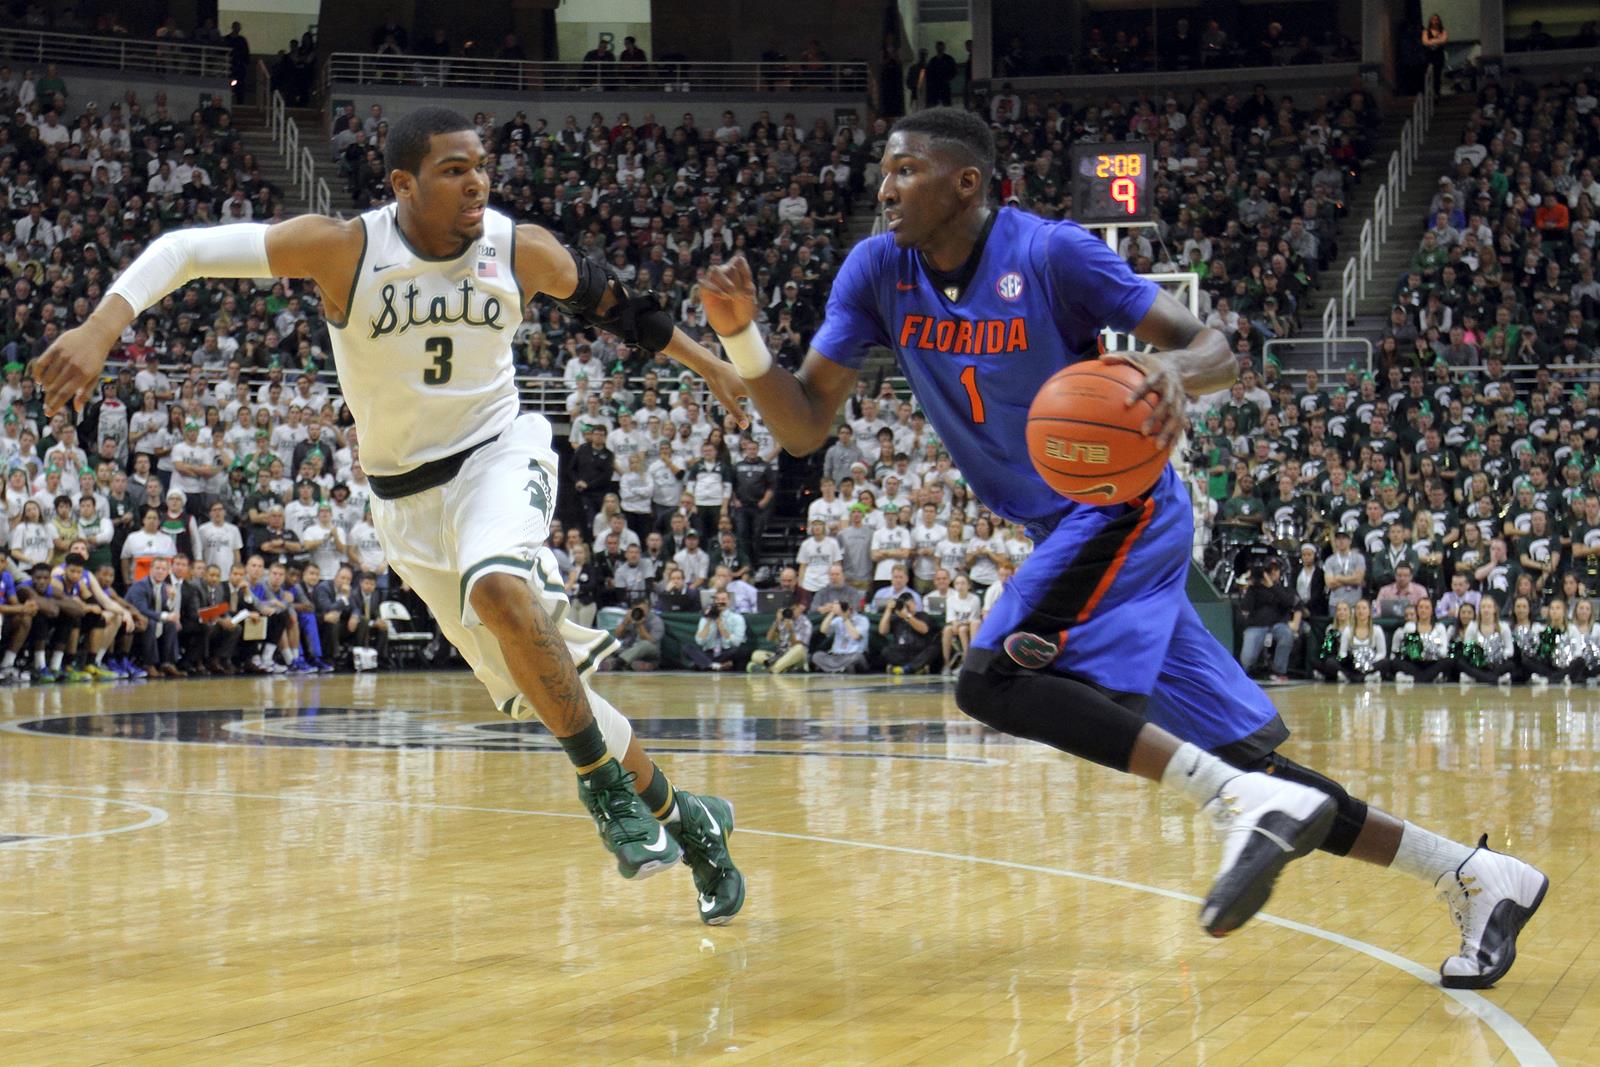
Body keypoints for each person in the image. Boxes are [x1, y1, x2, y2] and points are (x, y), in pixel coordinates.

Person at [700, 105, 1545, 981]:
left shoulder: (1052, 252)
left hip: (1122, 508)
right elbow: (801, 427)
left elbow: (1214, 347)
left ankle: (1236, 801)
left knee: (995, 679)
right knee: (1256, 767)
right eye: (884, 170)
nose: (885, 187)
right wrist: (741, 335)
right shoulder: (876, 270)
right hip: (1063, 527)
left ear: (967, 183)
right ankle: (1479, 875)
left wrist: (1171, 373)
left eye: (906, 170)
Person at [34, 106, 745, 925]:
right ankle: (685, 817)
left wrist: (711, 367)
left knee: (500, 587)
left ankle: (602, 793)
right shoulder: (347, 249)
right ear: (403, 183)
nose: (476, 180)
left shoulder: (521, 250)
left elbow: (633, 313)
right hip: (405, 503)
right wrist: (100, 327)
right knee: (542, 689)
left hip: (499, 454)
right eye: (453, 168)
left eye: (480, 164)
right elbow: (186, 250)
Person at [1237, 559, 1298, 681]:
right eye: (1270, 570)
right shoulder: (1254, 590)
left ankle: (1279, 671)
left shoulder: (1284, 589)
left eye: (1276, 570)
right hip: (1256, 626)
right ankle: (1248, 672)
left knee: (1286, 634)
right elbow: (1244, 608)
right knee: (1247, 659)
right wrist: (1249, 584)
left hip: (1277, 625)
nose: (1274, 573)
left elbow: (1289, 603)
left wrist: (1272, 586)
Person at [686, 589, 745, 671]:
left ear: (729, 601)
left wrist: (721, 626)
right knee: (687, 648)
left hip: (726, 651)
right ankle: (716, 665)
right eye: (718, 599)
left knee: (739, 651)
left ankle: (704, 664)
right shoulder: (705, 618)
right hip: (710, 652)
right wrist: (708, 621)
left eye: (723, 599)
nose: (720, 602)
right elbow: (700, 641)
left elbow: (736, 642)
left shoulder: (737, 618)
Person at [748, 603, 812, 674]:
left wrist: (791, 630)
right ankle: (783, 669)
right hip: (780, 656)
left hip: (797, 657)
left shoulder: (805, 622)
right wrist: (776, 622)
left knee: (799, 648)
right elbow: (769, 638)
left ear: (799, 609)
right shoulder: (782, 620)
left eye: (793, 609)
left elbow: (796, 645)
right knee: (756, 654)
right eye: (789, 609)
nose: (790, 612)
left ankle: (772, 669)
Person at [812, 597, 869, 673]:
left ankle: (832, 669)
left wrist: (845, 618)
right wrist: (832, 612)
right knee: (817, 656)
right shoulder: (837, 620)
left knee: (858, 658)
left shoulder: (862, 620)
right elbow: (823, 630)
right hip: (836, 656)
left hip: (852, 655)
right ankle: (841, 669)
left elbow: (856, 636)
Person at [607, 595, 664, 671]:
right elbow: (617, 635)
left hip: (650, 649)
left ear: (648, 609)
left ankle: (619, 662)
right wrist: (625, 622)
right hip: (629, 648)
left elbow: (651, 640)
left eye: (644, 609)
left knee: (645, 644)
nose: (641, 612)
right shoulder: (631, 616)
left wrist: (639, 624)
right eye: (638, 609)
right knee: (610, 644)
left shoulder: (655, 620)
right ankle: (627, 664)